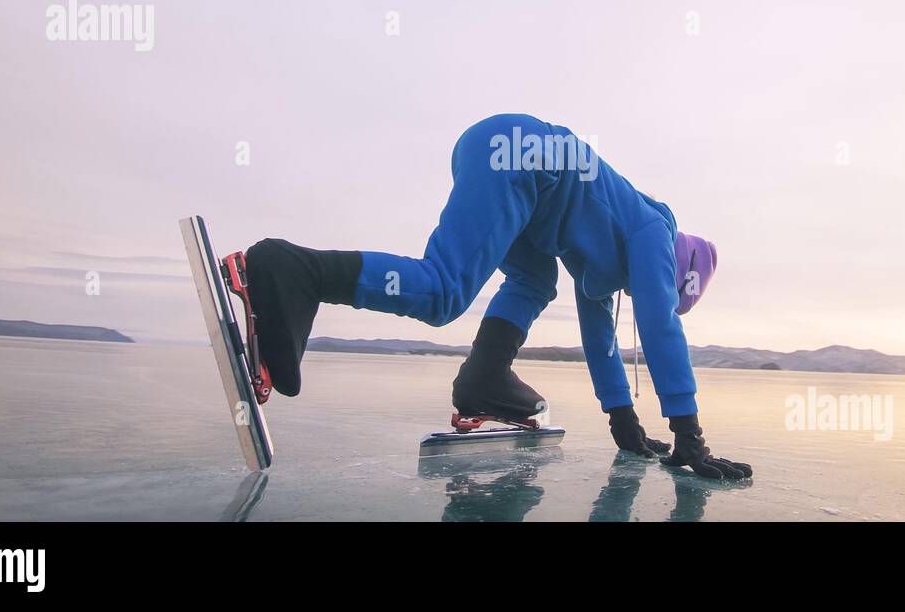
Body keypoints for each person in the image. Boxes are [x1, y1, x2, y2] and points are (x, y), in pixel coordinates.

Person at [244, 113, 752, 480]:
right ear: (680, 269)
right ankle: (298, 270)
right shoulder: (653, 233)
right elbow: (661, 325)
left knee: (535, 281)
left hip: (516, 165)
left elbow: (599, 341)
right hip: (526, 157)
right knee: (443, 289)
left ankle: (484, 378)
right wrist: (690, 433)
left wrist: (622, 419)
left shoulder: (608, 249)